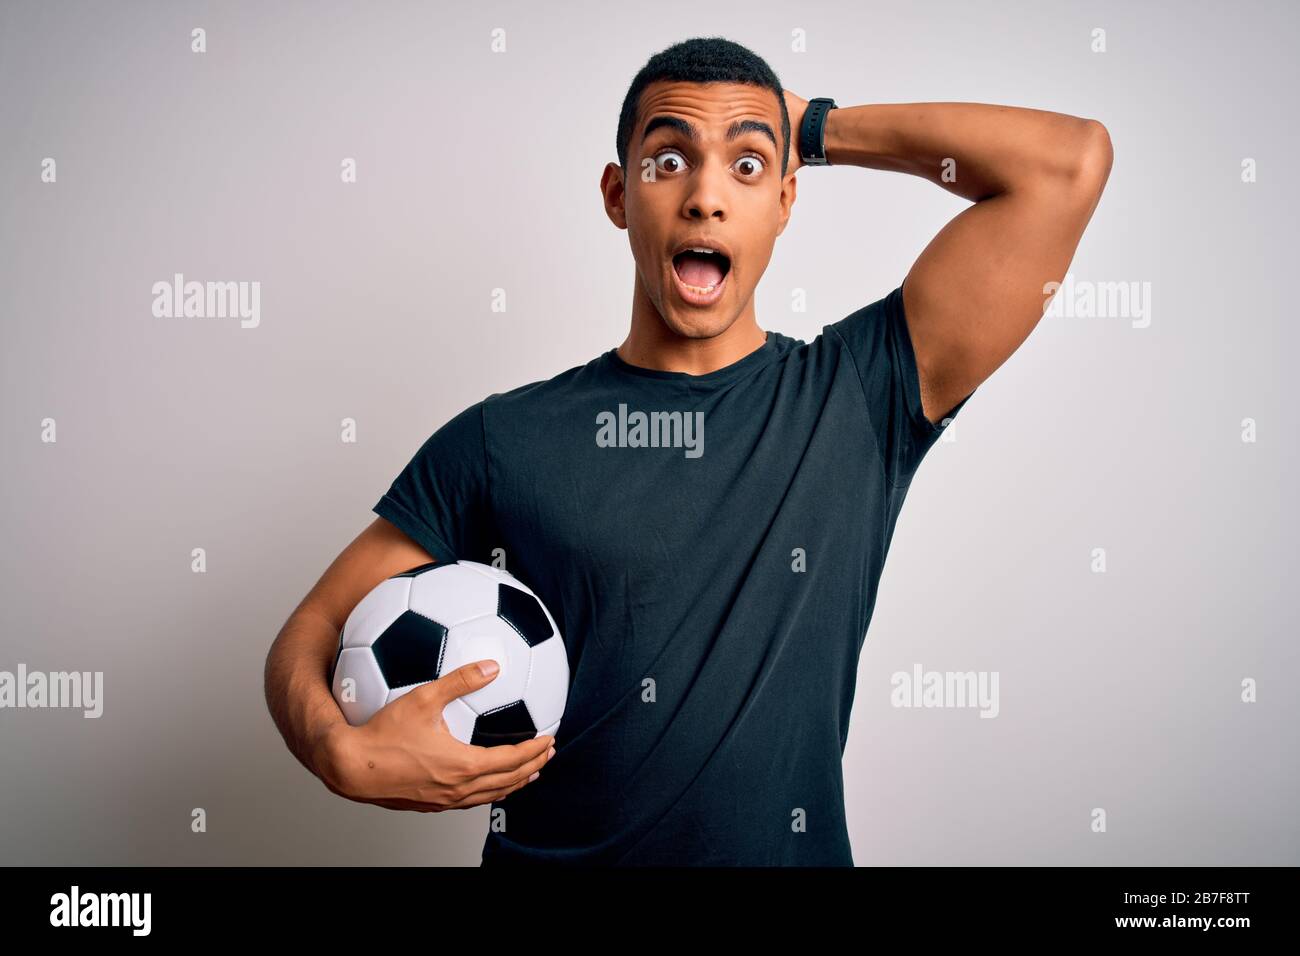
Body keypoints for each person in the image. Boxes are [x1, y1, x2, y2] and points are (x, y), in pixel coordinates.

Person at [264, 36, 1112, 865]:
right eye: (669, 160)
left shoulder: (861, 396)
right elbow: (312, 627)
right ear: (617, 194)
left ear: (784, 203)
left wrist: (811, 127)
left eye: (746, 167)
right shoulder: (503, 438)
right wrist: (335, 751)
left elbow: (1067, 164)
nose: (706, 196)